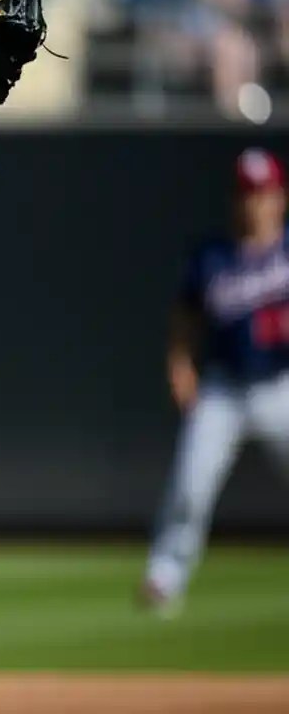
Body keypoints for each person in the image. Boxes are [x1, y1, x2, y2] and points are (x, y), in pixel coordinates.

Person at [140, 147, 289, 619]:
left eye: (262, 193)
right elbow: (185, 318)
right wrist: (180, 366)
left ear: (280, 197)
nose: (255, 203)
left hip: (282, 385)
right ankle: (165, 577)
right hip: (223, 389)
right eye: (247, 193)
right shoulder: (213, 258)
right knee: (190, 483)